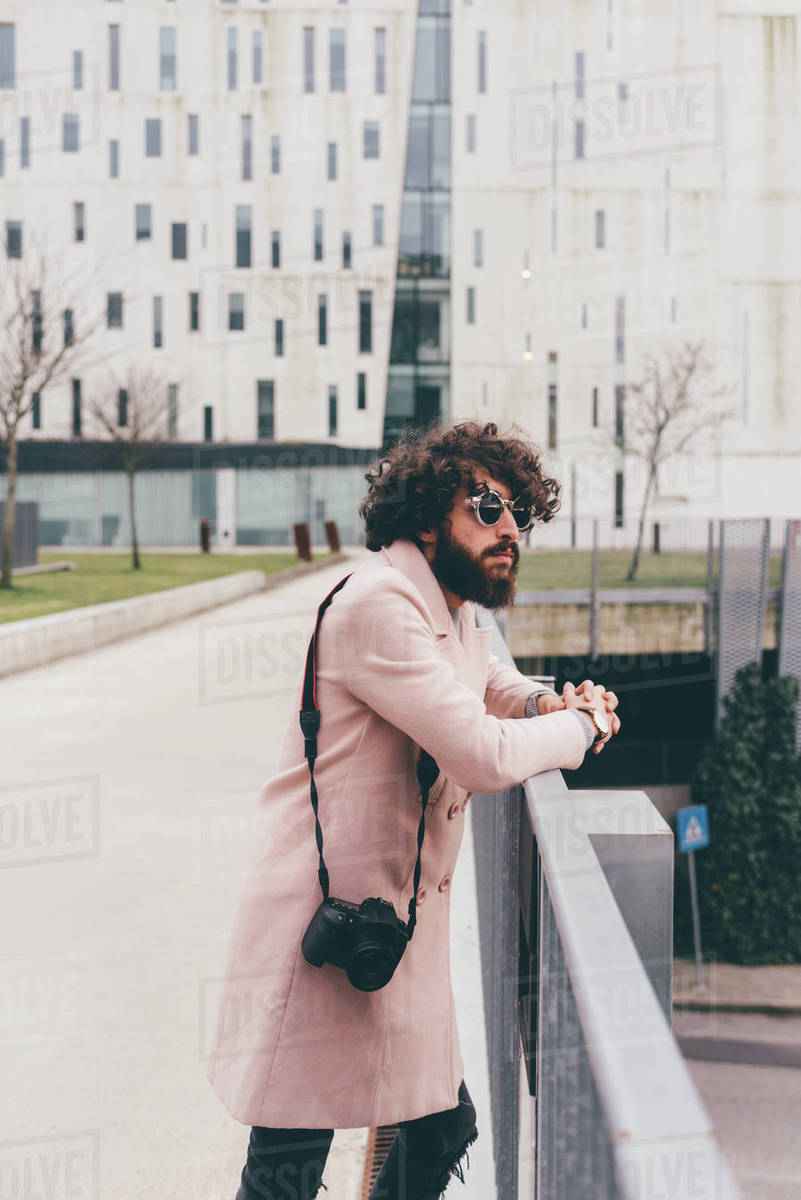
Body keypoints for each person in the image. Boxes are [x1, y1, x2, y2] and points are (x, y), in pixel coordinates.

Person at [207, 421, 621, 1200]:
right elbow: (483, 754)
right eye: (488, 508)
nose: (509, 531)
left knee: (438, 1123)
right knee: (286, 1167)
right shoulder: (380, 602)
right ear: (426, 516)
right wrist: (582, 726)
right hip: (326, 925)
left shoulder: (451, 603)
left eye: (518, 515)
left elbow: (489, 681)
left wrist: (545, 700)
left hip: (389, 928)